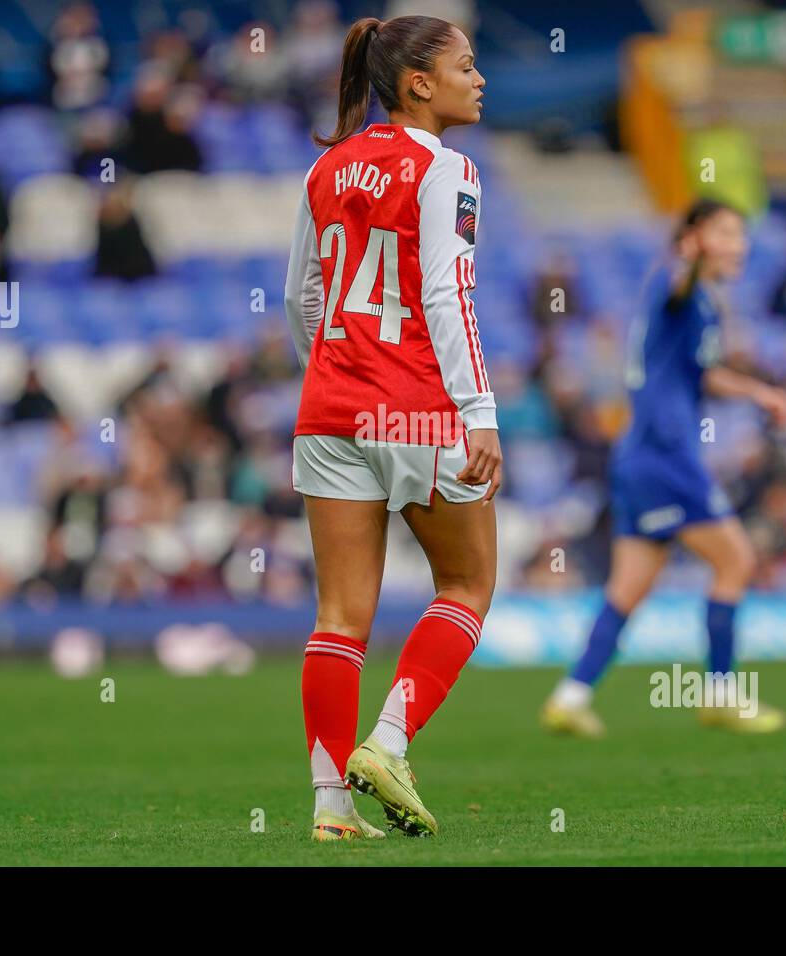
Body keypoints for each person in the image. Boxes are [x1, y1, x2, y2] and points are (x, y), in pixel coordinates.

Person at [284, 15, 495, 841]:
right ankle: (391, 743)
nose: (479, 80)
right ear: (418, 83)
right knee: (469, 585)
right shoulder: (447, 168)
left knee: (338, 617)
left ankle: (331, 809)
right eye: (466, 66)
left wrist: (335, 375)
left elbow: (304, 299)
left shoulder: (326, 167)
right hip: (413, 404)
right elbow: (448, 297)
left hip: (328, 408)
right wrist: (478, 412)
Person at [542, 199, 786, 738]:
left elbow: (700, 372)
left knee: (628, 588)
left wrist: (756, 390)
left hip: (637, 455)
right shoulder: (678, 284)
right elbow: (678, 279)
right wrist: (692, 257)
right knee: (736, 561)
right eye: (726, 232)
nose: (739, 244)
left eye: (741, 234)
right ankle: (722, 694)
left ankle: (570, 695)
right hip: (667, 454)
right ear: (695, 238)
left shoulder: (699, 302)